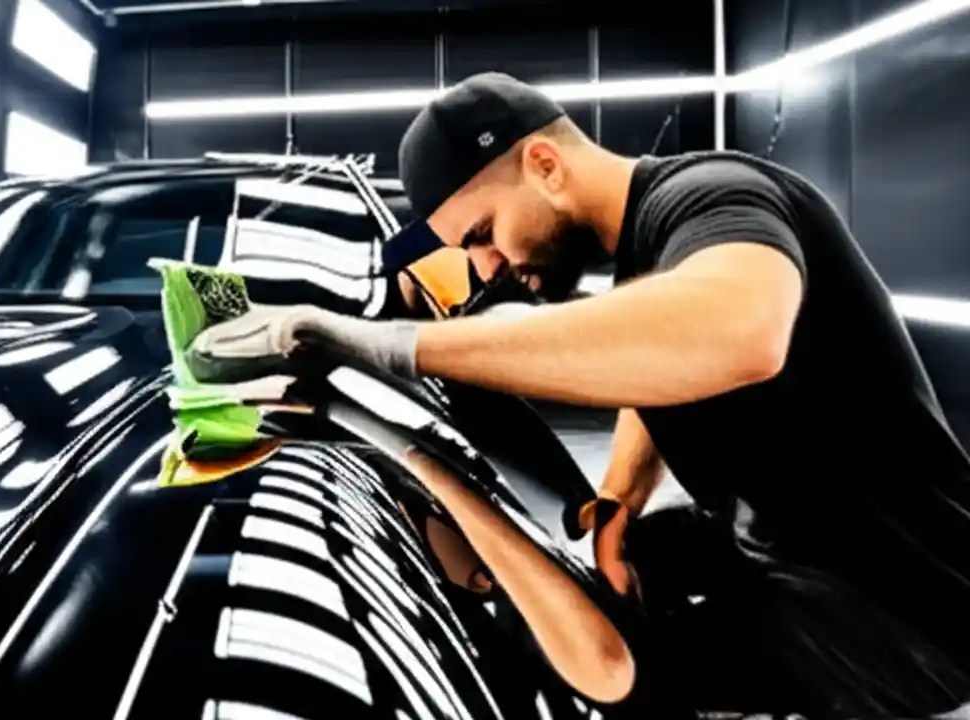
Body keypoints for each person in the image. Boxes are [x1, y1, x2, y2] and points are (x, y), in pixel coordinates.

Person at [187, 72, 970, 717]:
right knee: (616, 571)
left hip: (912, 617)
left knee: (605, 673)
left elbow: (737, 335)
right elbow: (653, 370)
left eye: (484, 230)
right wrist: (621, 502)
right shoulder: (648, 247)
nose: (488, 265)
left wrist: (391, 353)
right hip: (795, 552)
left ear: (545, 166)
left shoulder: (715, 195)